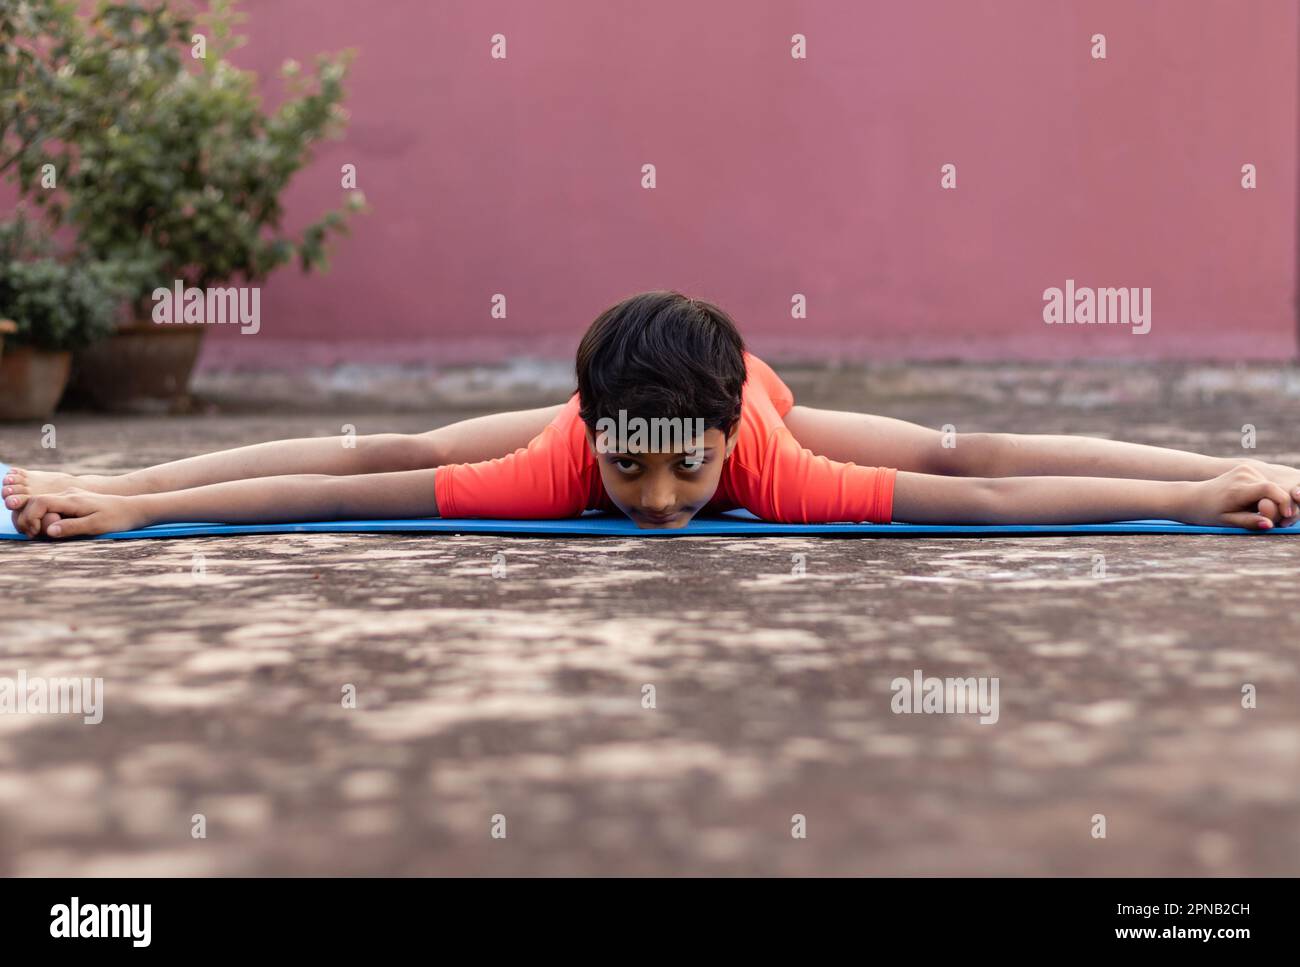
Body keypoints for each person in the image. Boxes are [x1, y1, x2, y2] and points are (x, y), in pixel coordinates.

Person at [6, 290, 1298, 537]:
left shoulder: (767, 461)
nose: (666, 506)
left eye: (687, 474)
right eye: (639, 481)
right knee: (395, 447)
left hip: (758, 389)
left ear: (727, 440)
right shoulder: (575, 456)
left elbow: (998, 483)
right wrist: (129, 501)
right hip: (625, 393)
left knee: (962, 440)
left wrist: (1200, 485)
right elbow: (345, 479)